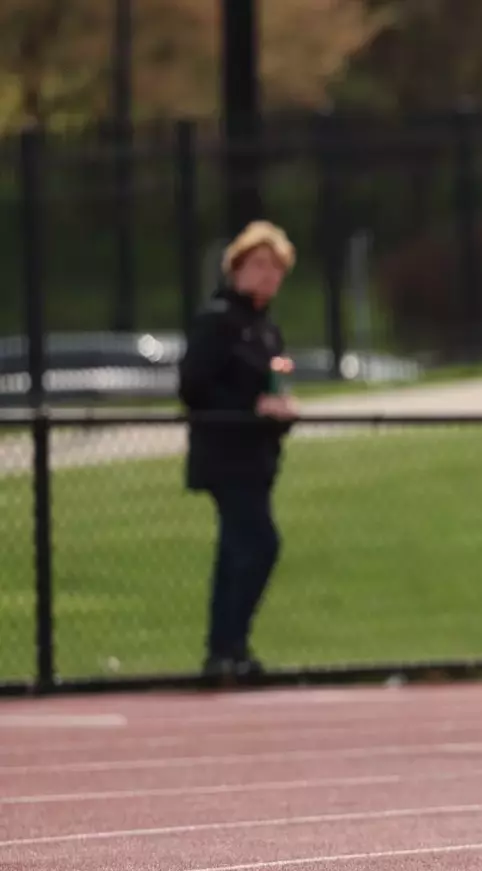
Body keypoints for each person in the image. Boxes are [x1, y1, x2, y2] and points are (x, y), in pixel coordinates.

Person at [178, 221, 299, 682]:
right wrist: (251, 408)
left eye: (276, 267)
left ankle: (230, 650)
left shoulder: (268, 332)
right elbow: (194, 386)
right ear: (237, 268)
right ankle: (224, 647)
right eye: (259, 264)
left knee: (241, 549)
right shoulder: (218, 322)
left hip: (258, 458)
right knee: (258, 543)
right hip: (225, 455)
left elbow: (274, 383)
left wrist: (281, 410)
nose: (267, 275)